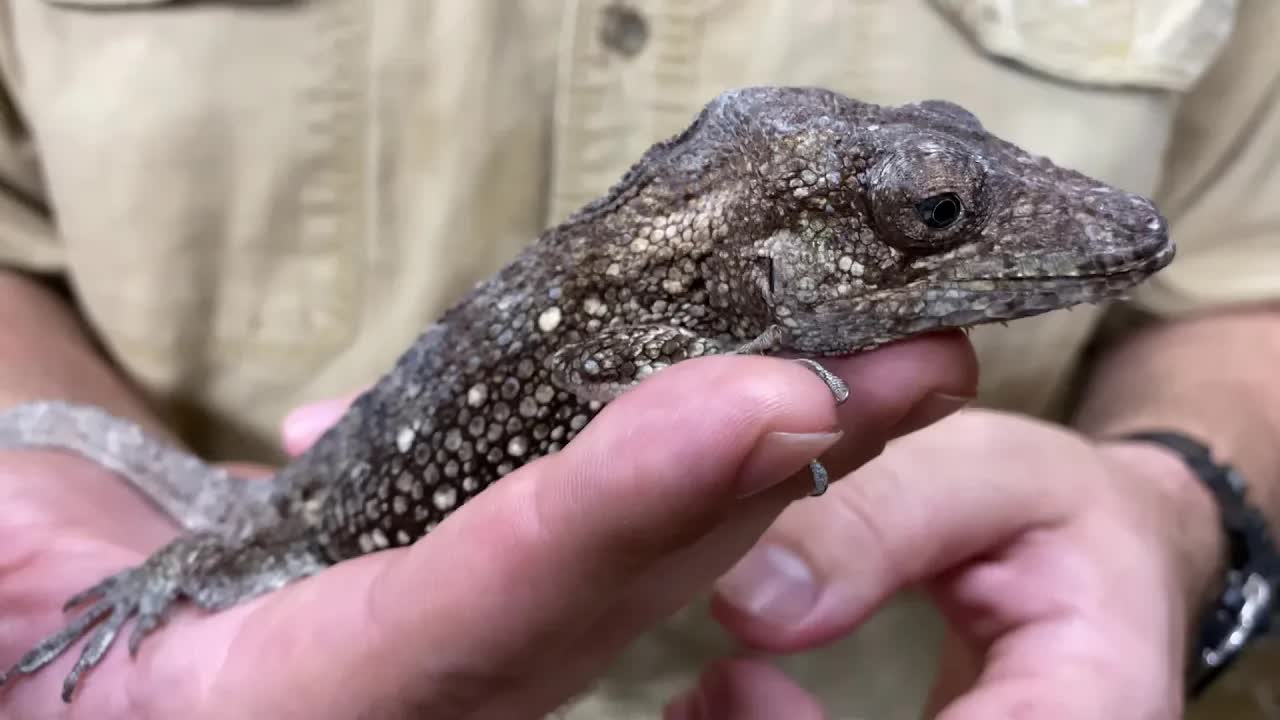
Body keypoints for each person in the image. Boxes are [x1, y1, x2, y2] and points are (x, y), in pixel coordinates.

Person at [0, 1, 1276, 718]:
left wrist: (1173, 513)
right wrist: (45, 499)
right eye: (934, 213)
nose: (955, 227)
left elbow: (1239, 280)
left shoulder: (716, 320)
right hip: (290, 555)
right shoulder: (677, 324)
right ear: (756, 265)